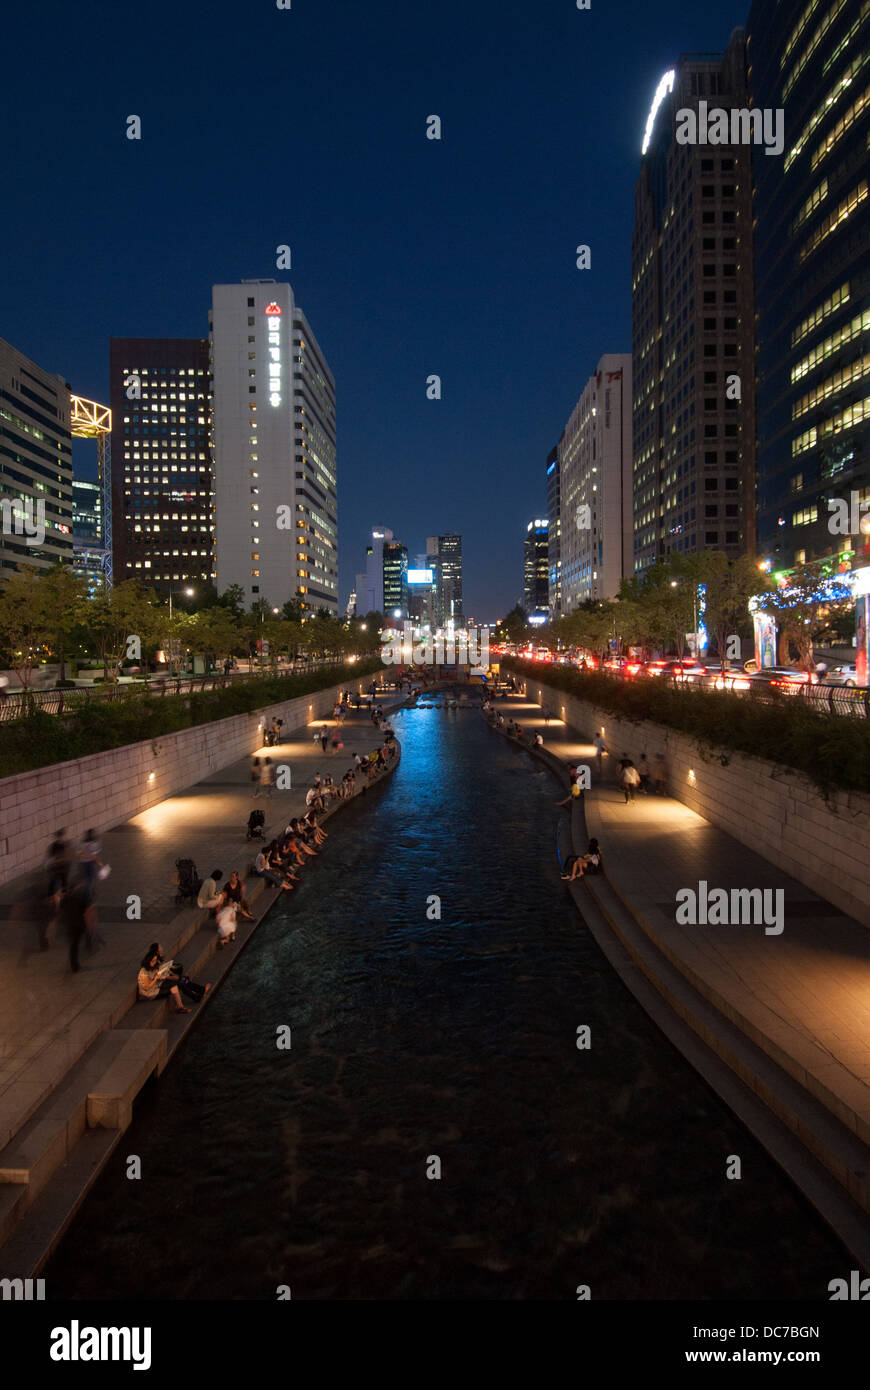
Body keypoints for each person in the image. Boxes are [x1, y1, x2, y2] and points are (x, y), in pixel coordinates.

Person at [137, 943, 211, 1012]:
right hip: (151, 993)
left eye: (155, 961)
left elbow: (158, 973)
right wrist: (156, 978)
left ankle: (183, 1005)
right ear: (148, 961)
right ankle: (193, 999)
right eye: (153, 961)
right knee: (178, 983)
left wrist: (163, 973)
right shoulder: (143, 973)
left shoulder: (154, 966)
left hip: (157, 985)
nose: (154, 962)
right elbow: (147, 987)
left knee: (178, 983)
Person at [58, 879, 94, 973]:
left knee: (73, 944)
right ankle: (75, 964)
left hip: (69, 924)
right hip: (78, 924)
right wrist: (89, 927)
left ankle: (74, 964)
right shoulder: (81, 899)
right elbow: (87, 913)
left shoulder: (65, 898)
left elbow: (60, 909)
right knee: (75, 944)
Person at [46, 828, 71, 899]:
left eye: (62, 836)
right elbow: (51, 856)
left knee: (63, 880)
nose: (61, 838)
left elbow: (65, 854)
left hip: (62, 865)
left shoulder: (63, 844)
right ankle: (51, 896)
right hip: (56, 865)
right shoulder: (54, 846)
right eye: (60, 836)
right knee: (54, 881)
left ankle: (63, 894)